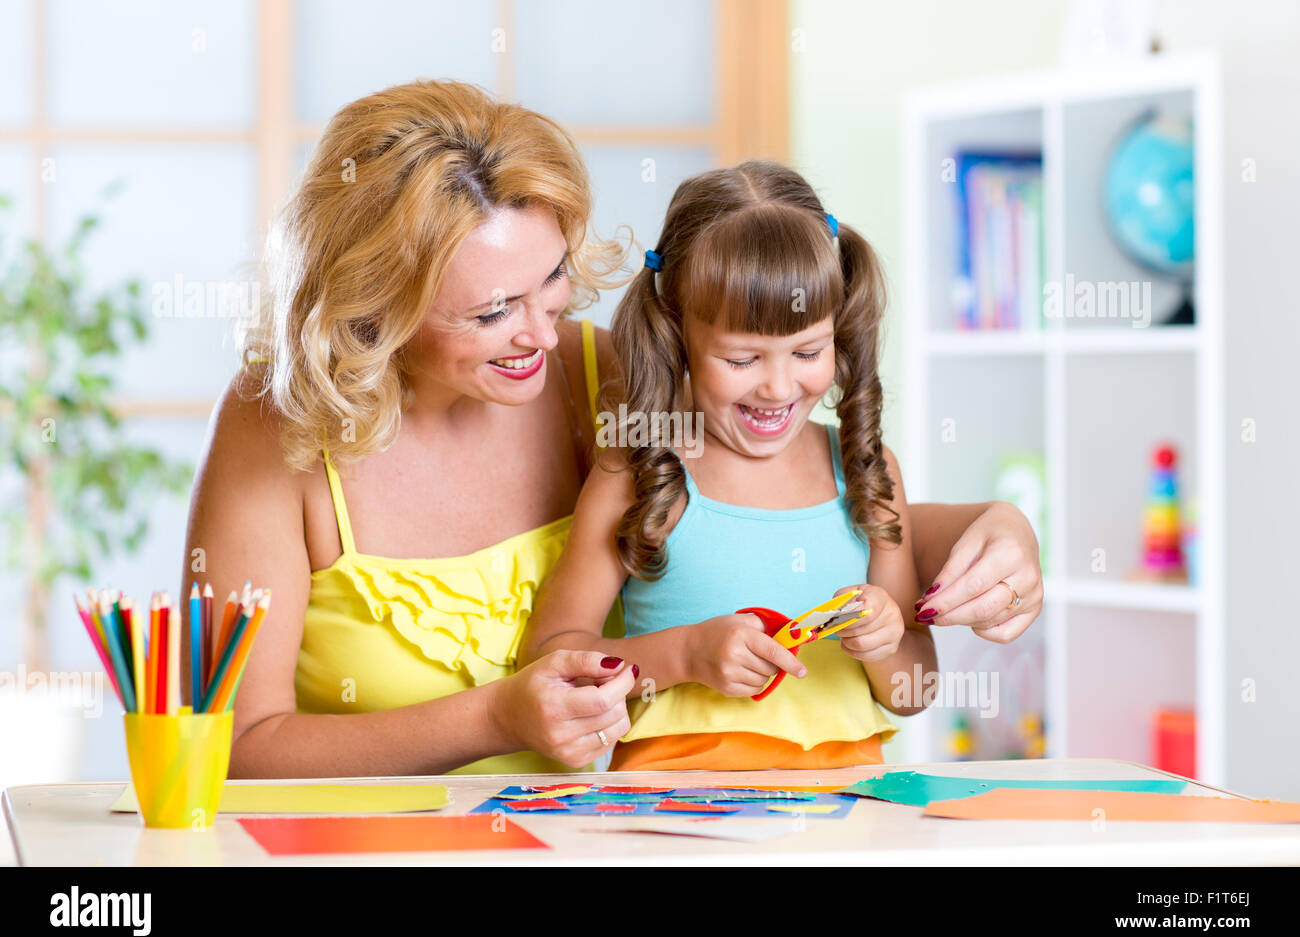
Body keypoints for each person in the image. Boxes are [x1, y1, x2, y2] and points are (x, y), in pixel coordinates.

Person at [182, 80, 1041, 779]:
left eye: (553, 279)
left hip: (615, 834)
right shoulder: (282, 430)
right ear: (378, 313)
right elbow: (233, 748)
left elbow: (809, 506)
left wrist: (991, 526)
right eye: (491, 311)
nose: (540, 333)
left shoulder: (614, 382)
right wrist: (492, 715)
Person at [523, 161, 944, 771]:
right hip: (671, 816)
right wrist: (686, 655)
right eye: (742, 358)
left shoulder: (866, 468)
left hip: (850, 817)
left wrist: (884, 647)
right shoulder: (636, 466)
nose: (778, 387)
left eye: (807, 351)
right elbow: (549, 660)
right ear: (677, 334)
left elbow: (917, 691)